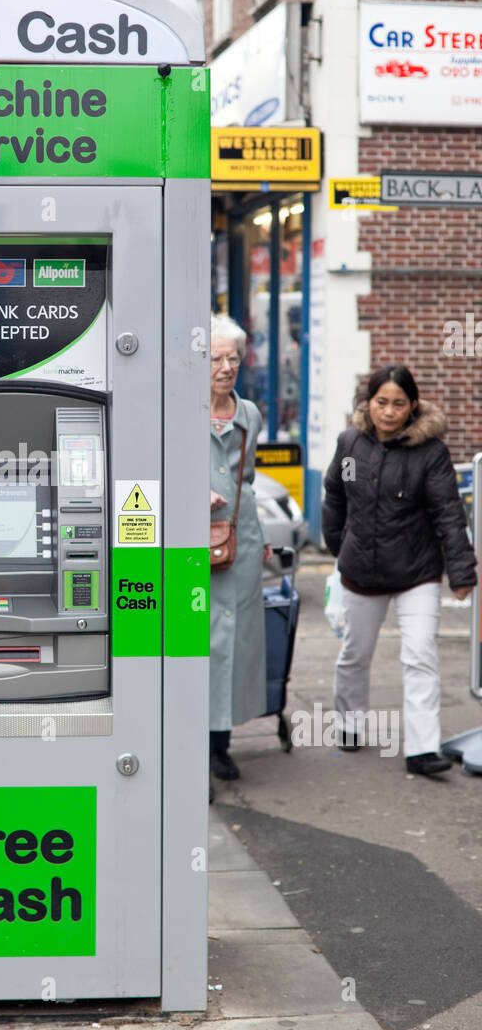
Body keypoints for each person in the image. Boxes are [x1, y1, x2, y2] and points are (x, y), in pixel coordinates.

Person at [322, 364, 476, 776]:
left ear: (412, 407)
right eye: (381, 403)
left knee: (421, 654)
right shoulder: (350, 444)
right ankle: (350, 725)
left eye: (399, 404)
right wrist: (339, 546)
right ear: (368, 404)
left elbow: (448, 513)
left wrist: (461, 572)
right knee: (355, 654)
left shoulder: (431, 453)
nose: (389, 412)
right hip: (360, 571)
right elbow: (335, 494)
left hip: (417, 572)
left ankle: (422, 750)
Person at [209, 314, 271, 784]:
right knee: (197, 643)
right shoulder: (176, 407)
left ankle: (220, 745)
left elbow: (247, 481)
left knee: (236, 645)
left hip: (240, 538)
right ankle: (187, 740)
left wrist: (260, 537)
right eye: (215, 358)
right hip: (187, 540)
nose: (226, 367)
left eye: (233, 358)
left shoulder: (248, 412)